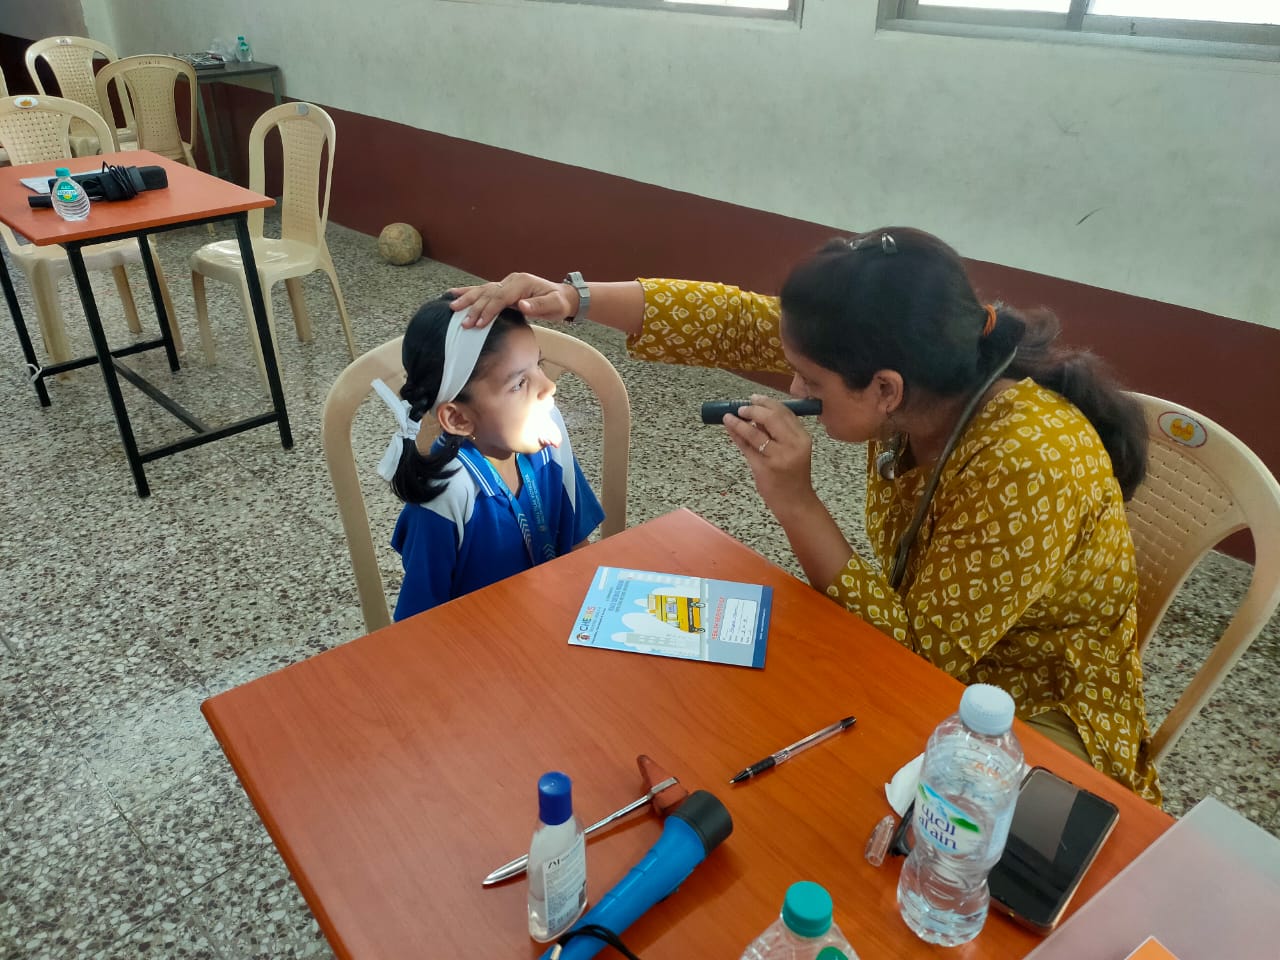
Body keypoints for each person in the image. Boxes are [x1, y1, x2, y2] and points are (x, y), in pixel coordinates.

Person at [450, 228, 1162, 804]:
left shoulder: (1023, 461)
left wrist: (796, 502)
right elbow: (736, 324)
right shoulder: (919, 366)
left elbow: (919, 662)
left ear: (886, 389)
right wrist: (572, 298)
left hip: (1028, 715)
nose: (793, 388)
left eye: (810, 382)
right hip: (920, 657)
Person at [375, 294, 604, 620]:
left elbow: (577, 545)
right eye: (519, 383)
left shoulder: (548, 440)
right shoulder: (446, 497)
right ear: (458, 419)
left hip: (552, 626)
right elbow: (417, 628)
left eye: (538, 365)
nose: (549, 387)